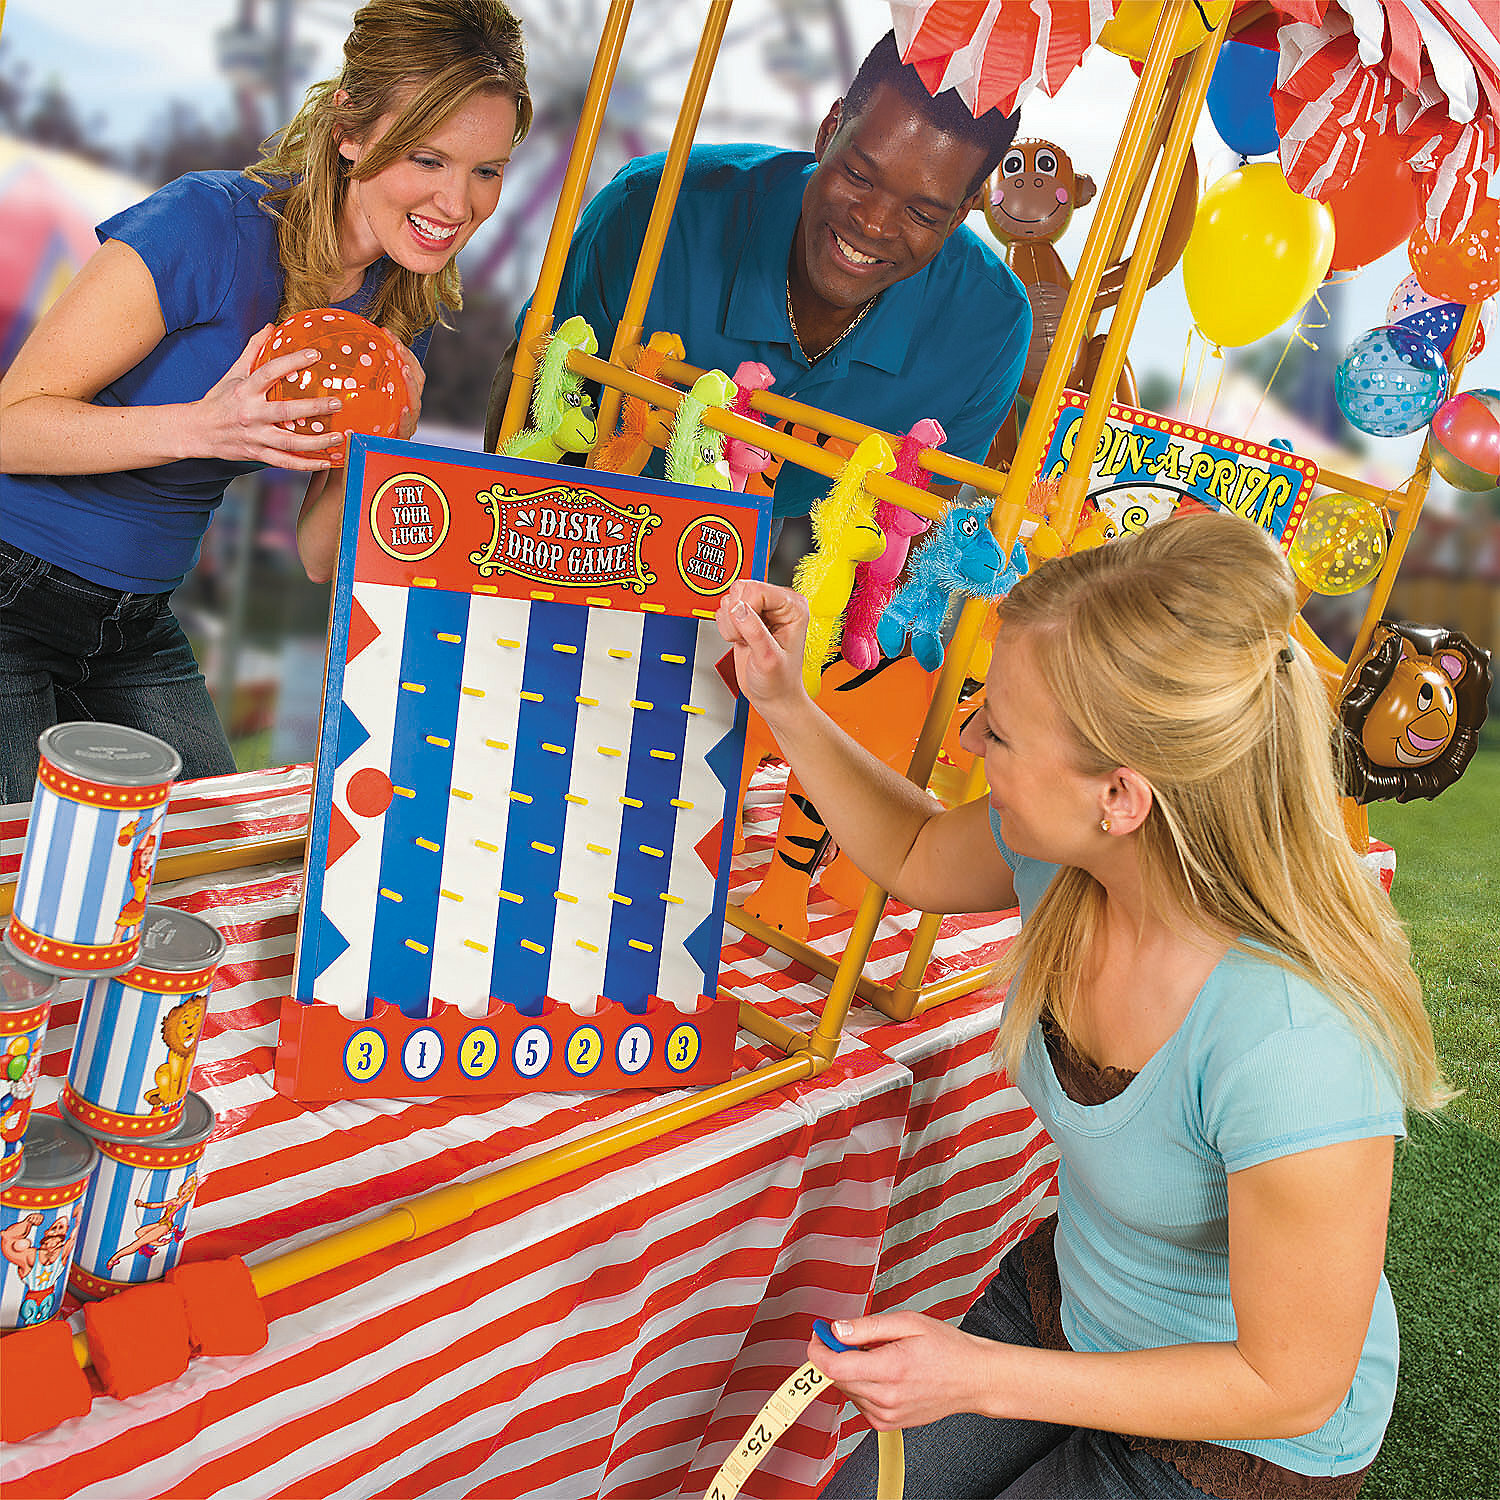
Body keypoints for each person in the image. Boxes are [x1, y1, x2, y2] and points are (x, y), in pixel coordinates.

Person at [716, 512, 1444, 1500]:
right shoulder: (1064, 856)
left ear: (1122, 797)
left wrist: (977, 1376)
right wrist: (786, 700)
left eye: (1001, 729)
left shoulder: (1294, 1039)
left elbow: (1290, 1385)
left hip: (1242, 1439)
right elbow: (915, 851)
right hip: (1074, 1306)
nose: (967, 736)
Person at [0, 0, 531, 805]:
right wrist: (204, 427)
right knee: (25, 869)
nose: (458, 205)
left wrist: (392, 438)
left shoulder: (398, 306)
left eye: (486, 170)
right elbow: (11, 428)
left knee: (213, 859)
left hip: (133, 619)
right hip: (14, 585)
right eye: (428, 159)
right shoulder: (207, 223)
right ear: (350, 132)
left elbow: (322, 556)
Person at [484, 31, 1031, 527]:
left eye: (922, 214)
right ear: (829, 132)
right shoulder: (652, 213)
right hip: (584, 532)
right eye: (859, 176)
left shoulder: (990, 326)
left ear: (960, 215)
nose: (873, 223)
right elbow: (531, 391)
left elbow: (911, 537)